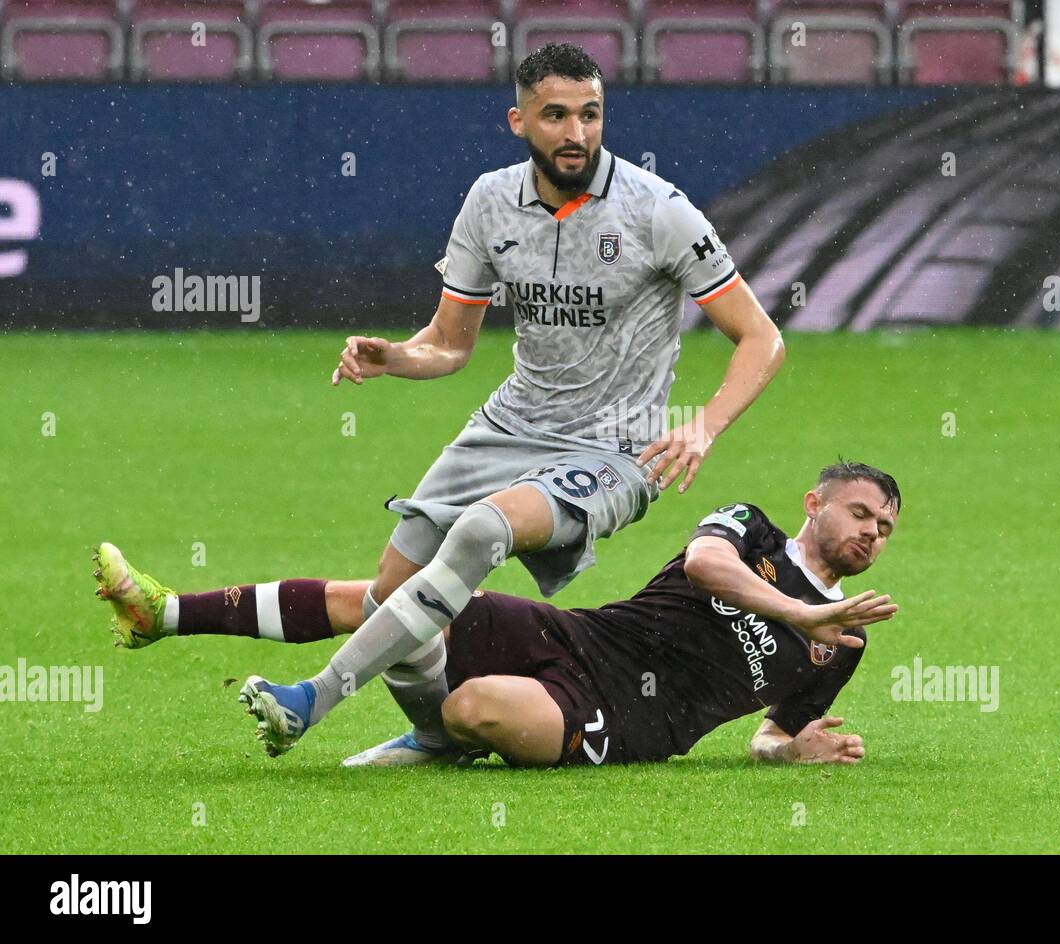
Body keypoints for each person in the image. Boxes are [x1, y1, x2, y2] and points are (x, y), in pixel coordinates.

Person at [93, 42, 785, 758]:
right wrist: (396, 357)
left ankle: (311, 699)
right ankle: (433, 734)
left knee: (483, 534)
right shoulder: (490, 201)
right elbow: (451, 343)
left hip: (613, 448)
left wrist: (702, 427)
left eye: (590, 114)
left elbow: (761, 339)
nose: (575, 133)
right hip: (508, 425)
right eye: (555, 116)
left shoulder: (658, 211)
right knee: (388, 602)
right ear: (518, 120)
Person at [100, 462, 901, 767]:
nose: (870, 533)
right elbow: (704, 565)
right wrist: (798, 611)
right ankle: (165, 613)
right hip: (584, 634)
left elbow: (775, 733)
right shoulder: (751, 528)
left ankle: (436, 735)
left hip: (627, 721)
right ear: (815, 505)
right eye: (861, 513)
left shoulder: (848, 639)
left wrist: (788, 755)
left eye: (885, 529)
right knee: (393, 601)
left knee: (468, 705)